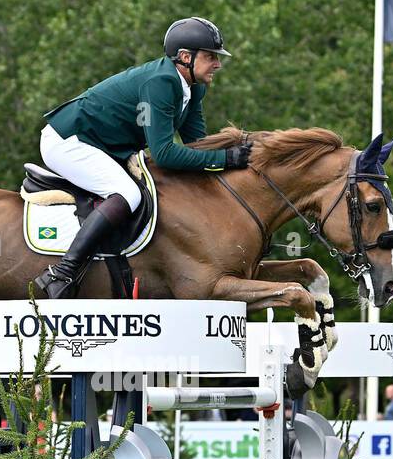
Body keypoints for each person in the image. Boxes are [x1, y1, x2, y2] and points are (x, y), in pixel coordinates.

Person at [33, 17, 250, 299]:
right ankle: (62, 273)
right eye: (211, 57)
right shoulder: (161, 83)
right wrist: (227, 159)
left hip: (103, 145)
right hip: (70, 140)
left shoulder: (194, 87)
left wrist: (243, 157)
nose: (218, 64)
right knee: (127, 193)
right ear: (185, 57)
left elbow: (197, 145)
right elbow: (165, 154)